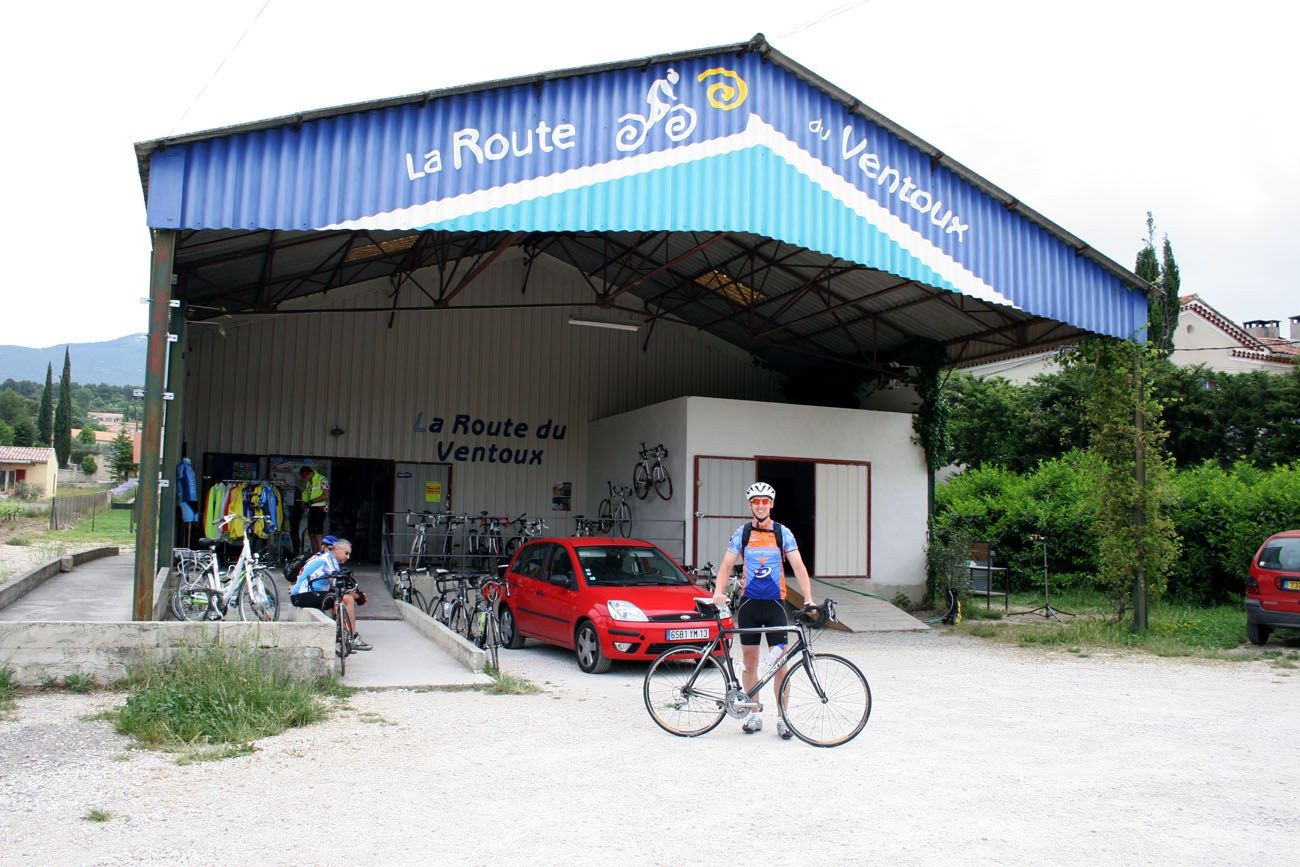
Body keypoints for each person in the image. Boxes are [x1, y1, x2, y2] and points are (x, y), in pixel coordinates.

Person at [712, 481, 815, 739]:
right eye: (756, 502)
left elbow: (799, 567)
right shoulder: (742, 533)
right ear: (750, 505)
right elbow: (725, 566)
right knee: (750, 664)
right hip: (749, 606)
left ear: (771, 504)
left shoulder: (783, 533)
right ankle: (754, 714)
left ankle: (783, 718)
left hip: (775, 607)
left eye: (765, 501)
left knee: (780, 664)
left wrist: (809, 599)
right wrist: (718, 592)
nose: (760, 505)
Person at [289, 537, 372, 651]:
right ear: (337, 549)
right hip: (302, 595)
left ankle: (341, 634)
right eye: (346, 553)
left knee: (338, 596)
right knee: (348, 599)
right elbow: (339, 581)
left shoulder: (329, 559)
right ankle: (352, 638)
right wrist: (358, 596)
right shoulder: (327, 560)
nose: (348, 557)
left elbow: (336, 585)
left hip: (307, 594)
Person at [299, 465, 330, 554]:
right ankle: (314, 554)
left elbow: (325, 495)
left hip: (320, 508)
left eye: (306, 476)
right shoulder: (309, 483)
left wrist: (311, 501)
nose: (305, 479)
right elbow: (307, 495)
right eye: (303, 477)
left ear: (310, 473)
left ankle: (320, 554)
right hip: (311, 509)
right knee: (311, 534)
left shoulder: (322, 479)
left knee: (317, 533)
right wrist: (305, 503)